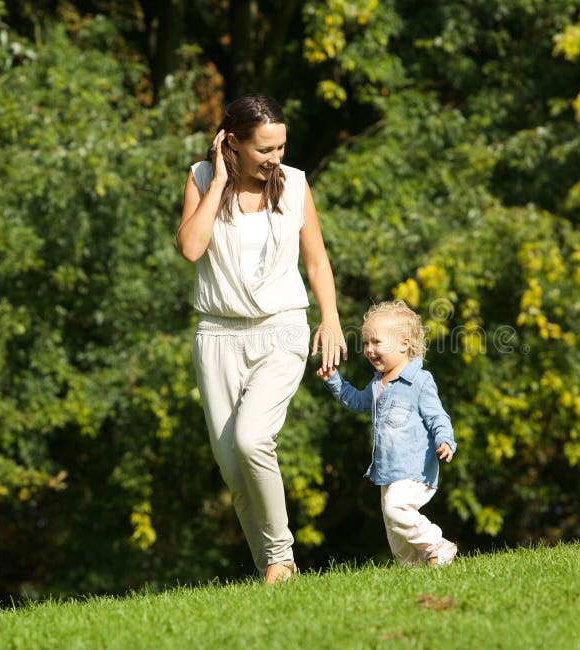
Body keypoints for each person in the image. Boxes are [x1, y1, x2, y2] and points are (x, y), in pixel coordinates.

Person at [176, 94, 346, 584]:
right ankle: (272, 572)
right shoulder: (201, 178)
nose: (276, 159)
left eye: (281, 147)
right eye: (265, 150)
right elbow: (190, 248)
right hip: (218, 336)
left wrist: (330, 318)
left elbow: (316, 260)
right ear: (232, 142)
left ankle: (280, 557)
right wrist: (220, 181)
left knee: (253, 439)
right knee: (232, 464)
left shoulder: (293, 183)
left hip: (282, 329)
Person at [317, 300, 458, 567]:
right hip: (387, 471)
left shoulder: (419, 380)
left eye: (377, 342)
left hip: (413, 467)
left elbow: (438, 415)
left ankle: (437, 544)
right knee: (395, 534)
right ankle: (415, 571)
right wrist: (334, 380)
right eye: (366, 343)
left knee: (396, 509)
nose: (369, 350)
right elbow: (357, 402)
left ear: (404, 344)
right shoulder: (377, 383)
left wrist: (445, 440)